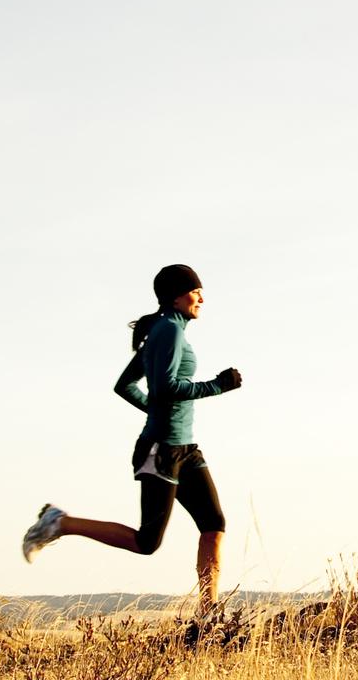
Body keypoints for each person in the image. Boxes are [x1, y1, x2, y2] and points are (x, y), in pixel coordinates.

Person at [20, 263, 243, 622]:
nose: (202, 296)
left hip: (185, 448)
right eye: (195, 290)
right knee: (147, 542)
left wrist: (156, 410)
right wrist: (216, 386)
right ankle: (59, 523)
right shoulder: (168, 330)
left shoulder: (164, 330)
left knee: (213, 524)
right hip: (160, 451)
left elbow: (126, 386)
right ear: (176, 294)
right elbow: (168, 387)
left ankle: (208, 614)